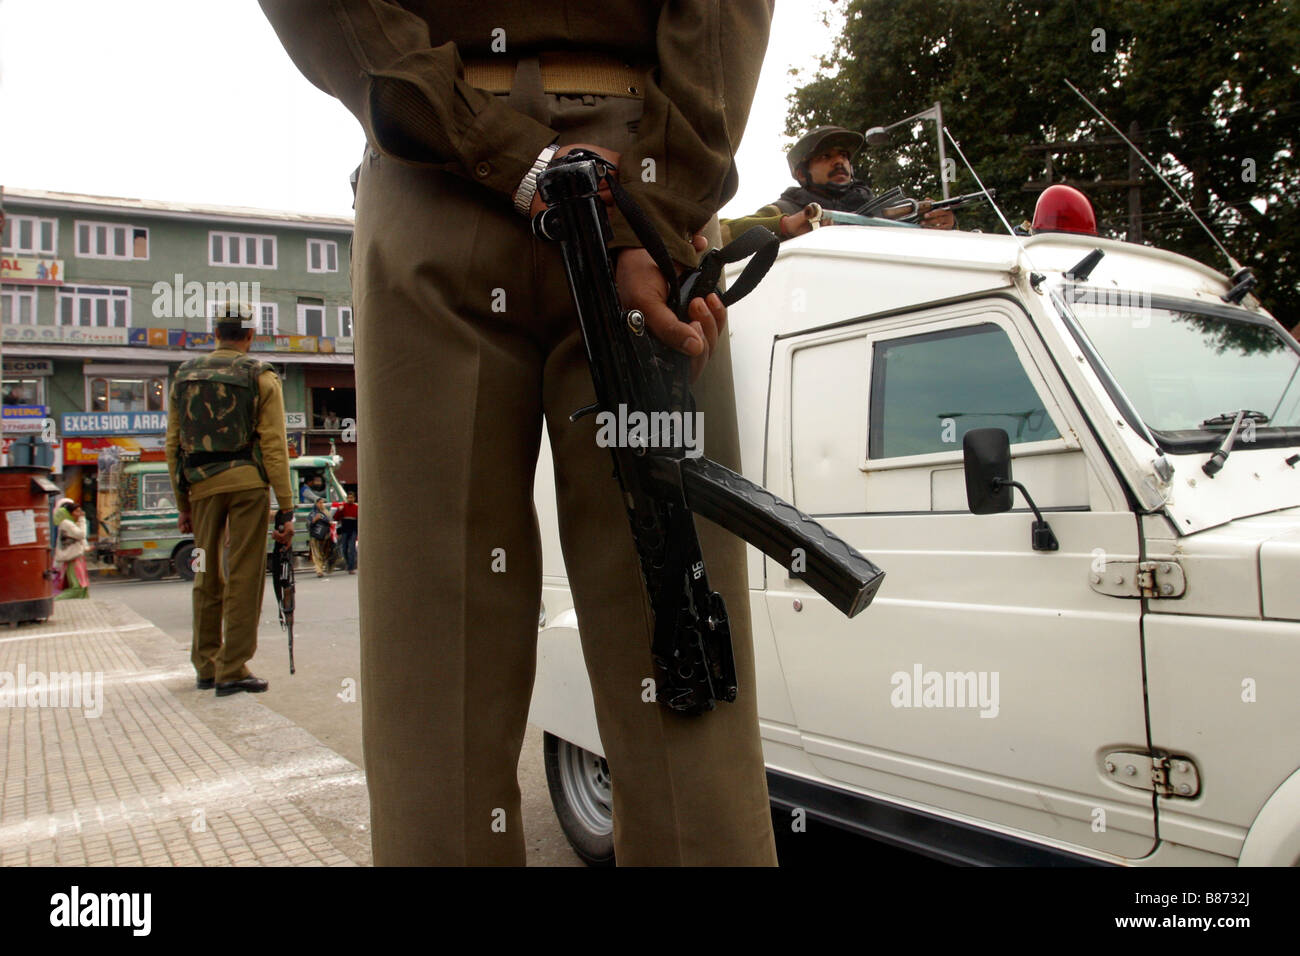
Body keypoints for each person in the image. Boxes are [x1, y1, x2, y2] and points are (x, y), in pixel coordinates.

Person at [260, 0, 778, 866]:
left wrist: (506, 152)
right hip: (645, 167)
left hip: (436, 171)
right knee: (678, 628)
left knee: (437, 656)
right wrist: (663, 195)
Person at [165, 304, 294, 697]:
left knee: (205, 573)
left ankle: (205, 665)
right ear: (250, 336)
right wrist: (286, 505)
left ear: (215, 333)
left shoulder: (184, 376)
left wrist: (182, 504)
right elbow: (273, 444)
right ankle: (232, 667)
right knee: (244, 573)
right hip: (247, 489)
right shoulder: (260, 375)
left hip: (201, 491)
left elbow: (173, 445)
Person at [722, 125, 956, 242]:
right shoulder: (787, 209)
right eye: (826, 157)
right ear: (802, 174)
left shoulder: (880, 209)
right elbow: (721, 233)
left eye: (843, 156)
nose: (839, 162)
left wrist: (944, 225)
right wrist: (784, 225)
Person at [54, 503, 90, 599]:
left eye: (80, 511)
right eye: (77, 511)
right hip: (73, 558)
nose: (80, 514)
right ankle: (54, 601)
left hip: (77, 557)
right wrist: (82, 520)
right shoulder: (66, 523)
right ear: (70, 513)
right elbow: (81, 534)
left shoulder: (71, 523)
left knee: (83, 588)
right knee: (78, 587)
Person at [333, 492, 359, 574]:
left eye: (351, 498)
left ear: (354, 498)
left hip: (353, 530)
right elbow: (336, 518)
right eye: (349, 498)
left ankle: (351, 567)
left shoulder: (356, 508)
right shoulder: (344, 507)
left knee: (351, 548)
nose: (350, 499)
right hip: (345, 530)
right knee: (344, 549)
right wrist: (339, 511)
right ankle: (348, 564)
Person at [308, 498, 334, 577]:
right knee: (316, 554)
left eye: (322, 503)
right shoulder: (312, 514)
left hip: (325, 537)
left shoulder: (326, 513)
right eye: (320, 503)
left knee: (323, 553)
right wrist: (314, 520)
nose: (321, 505)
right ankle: (319, 570)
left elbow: (330, 522)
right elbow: (308, 525)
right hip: (315, 537)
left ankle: (322, 567)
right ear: (316, 504)